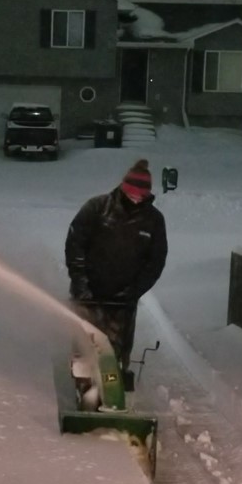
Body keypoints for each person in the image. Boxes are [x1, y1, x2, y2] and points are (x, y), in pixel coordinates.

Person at [65, 159, 168, 389]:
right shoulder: (97, 208)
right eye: (132, 193)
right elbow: (75, 244)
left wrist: (134, 291)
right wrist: (81, 283)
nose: (135, 199)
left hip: (123, 299)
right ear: (123, 187)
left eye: (141, 195)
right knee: (86, 345)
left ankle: (114, 388)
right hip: (88, 293)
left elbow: (155, 261)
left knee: (115, 351)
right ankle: (85, 387)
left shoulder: (153, 220)